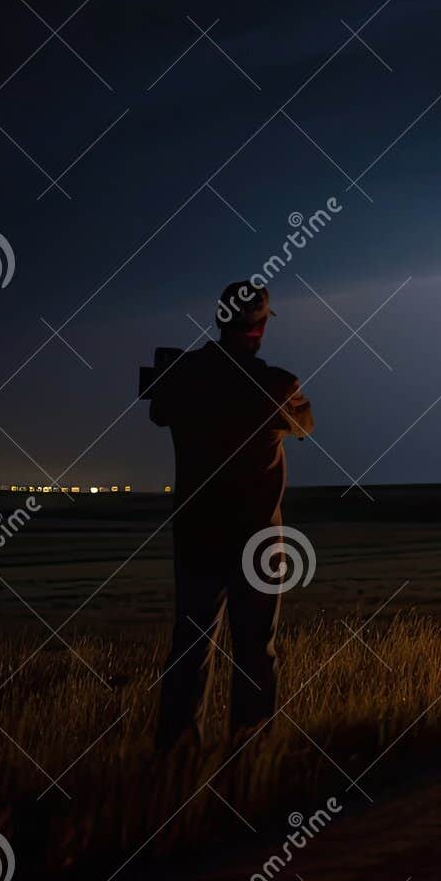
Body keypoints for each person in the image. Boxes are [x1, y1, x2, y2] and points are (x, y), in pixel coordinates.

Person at [148, 281, 314, 757]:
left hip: (197, 535)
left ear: (221, 321)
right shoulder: (276, 387)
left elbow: (158, 410)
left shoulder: (184, 380)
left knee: (190, 649)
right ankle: (250, 754)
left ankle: (176, 756)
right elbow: (306, 425)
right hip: (256, 542)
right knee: (255, 651)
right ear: (259, 328)